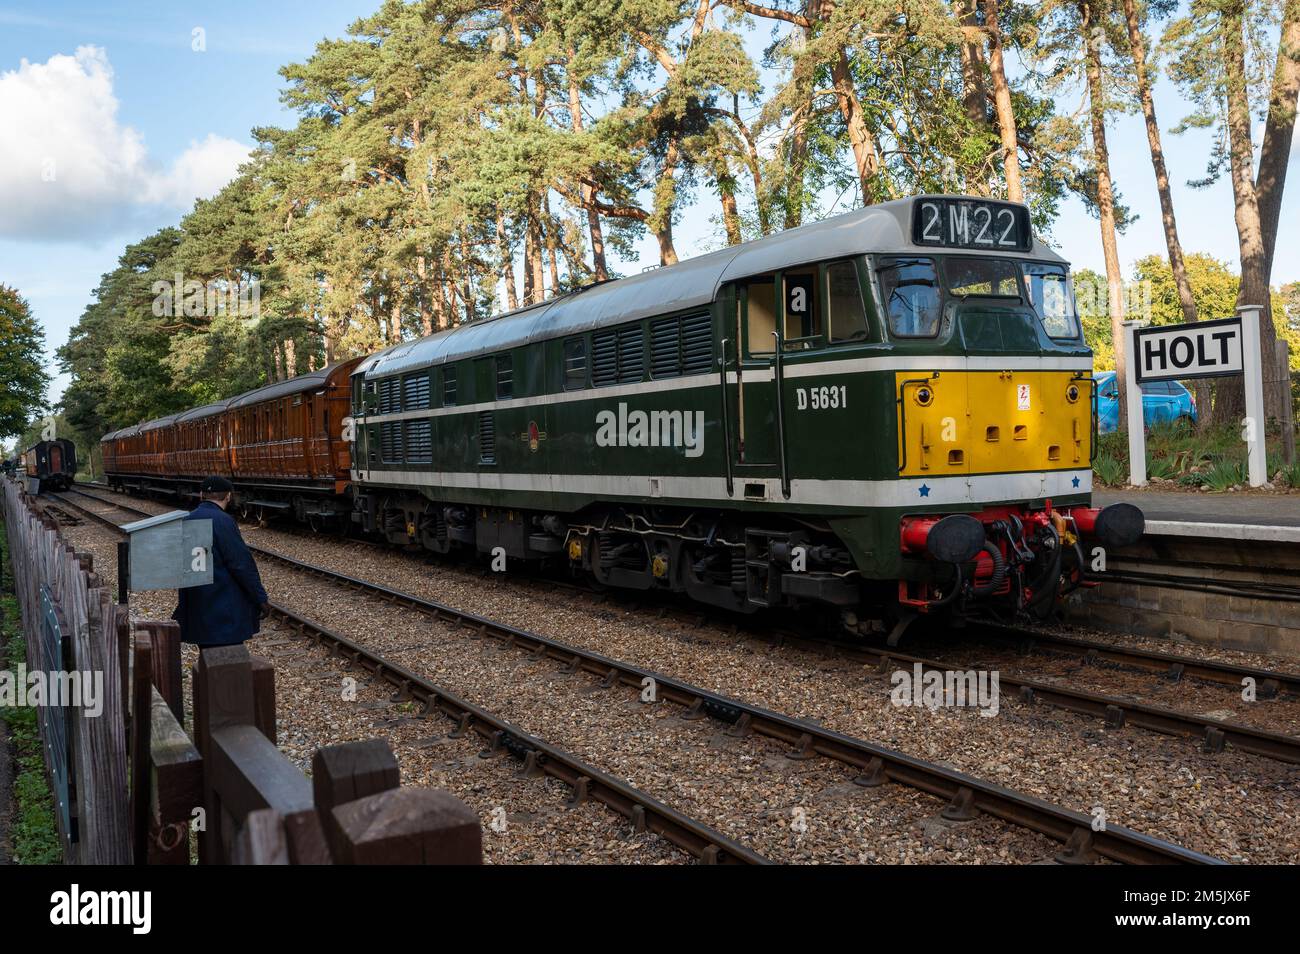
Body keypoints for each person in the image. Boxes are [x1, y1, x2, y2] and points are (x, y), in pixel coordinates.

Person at [172, 476, 270, 646]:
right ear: (228, 496)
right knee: (228, 660)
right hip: (223, 611)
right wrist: (259, 598)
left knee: (208, 658)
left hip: (198, 606)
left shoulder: (188, 520)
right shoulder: (223, 521)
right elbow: (240, 564)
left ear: (202, 494)